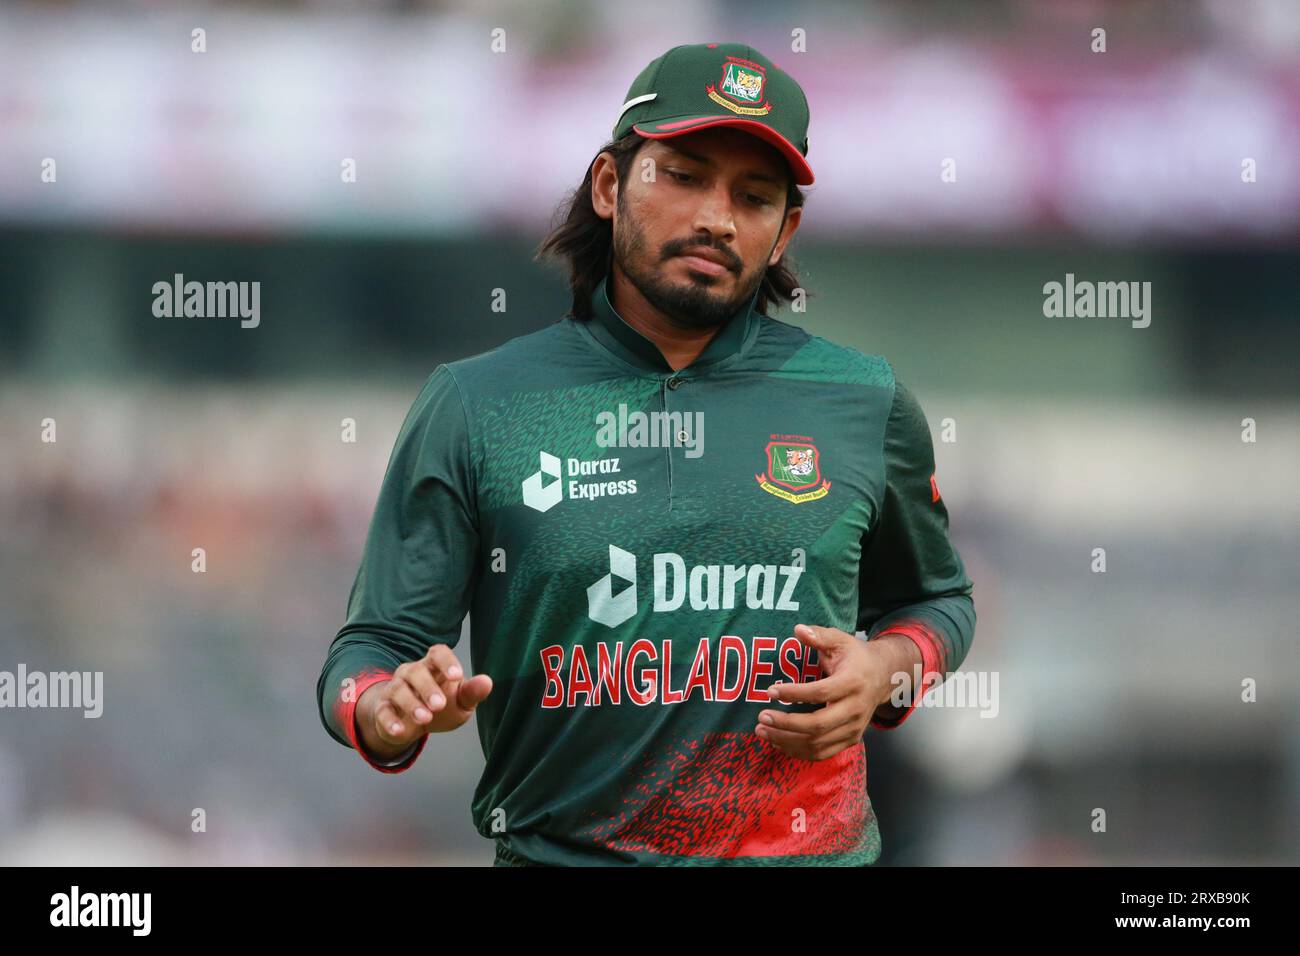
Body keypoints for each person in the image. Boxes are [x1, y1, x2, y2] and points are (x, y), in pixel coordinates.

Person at [315, 41, 975, 866]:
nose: (716, 218)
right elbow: (369, 650)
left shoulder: (863, 400)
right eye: (685, 175)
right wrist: (384, 707)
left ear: (783, 232)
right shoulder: (478, 404)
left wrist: (885, 670)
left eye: (754, 196)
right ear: (608, 185)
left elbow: (940, 604)